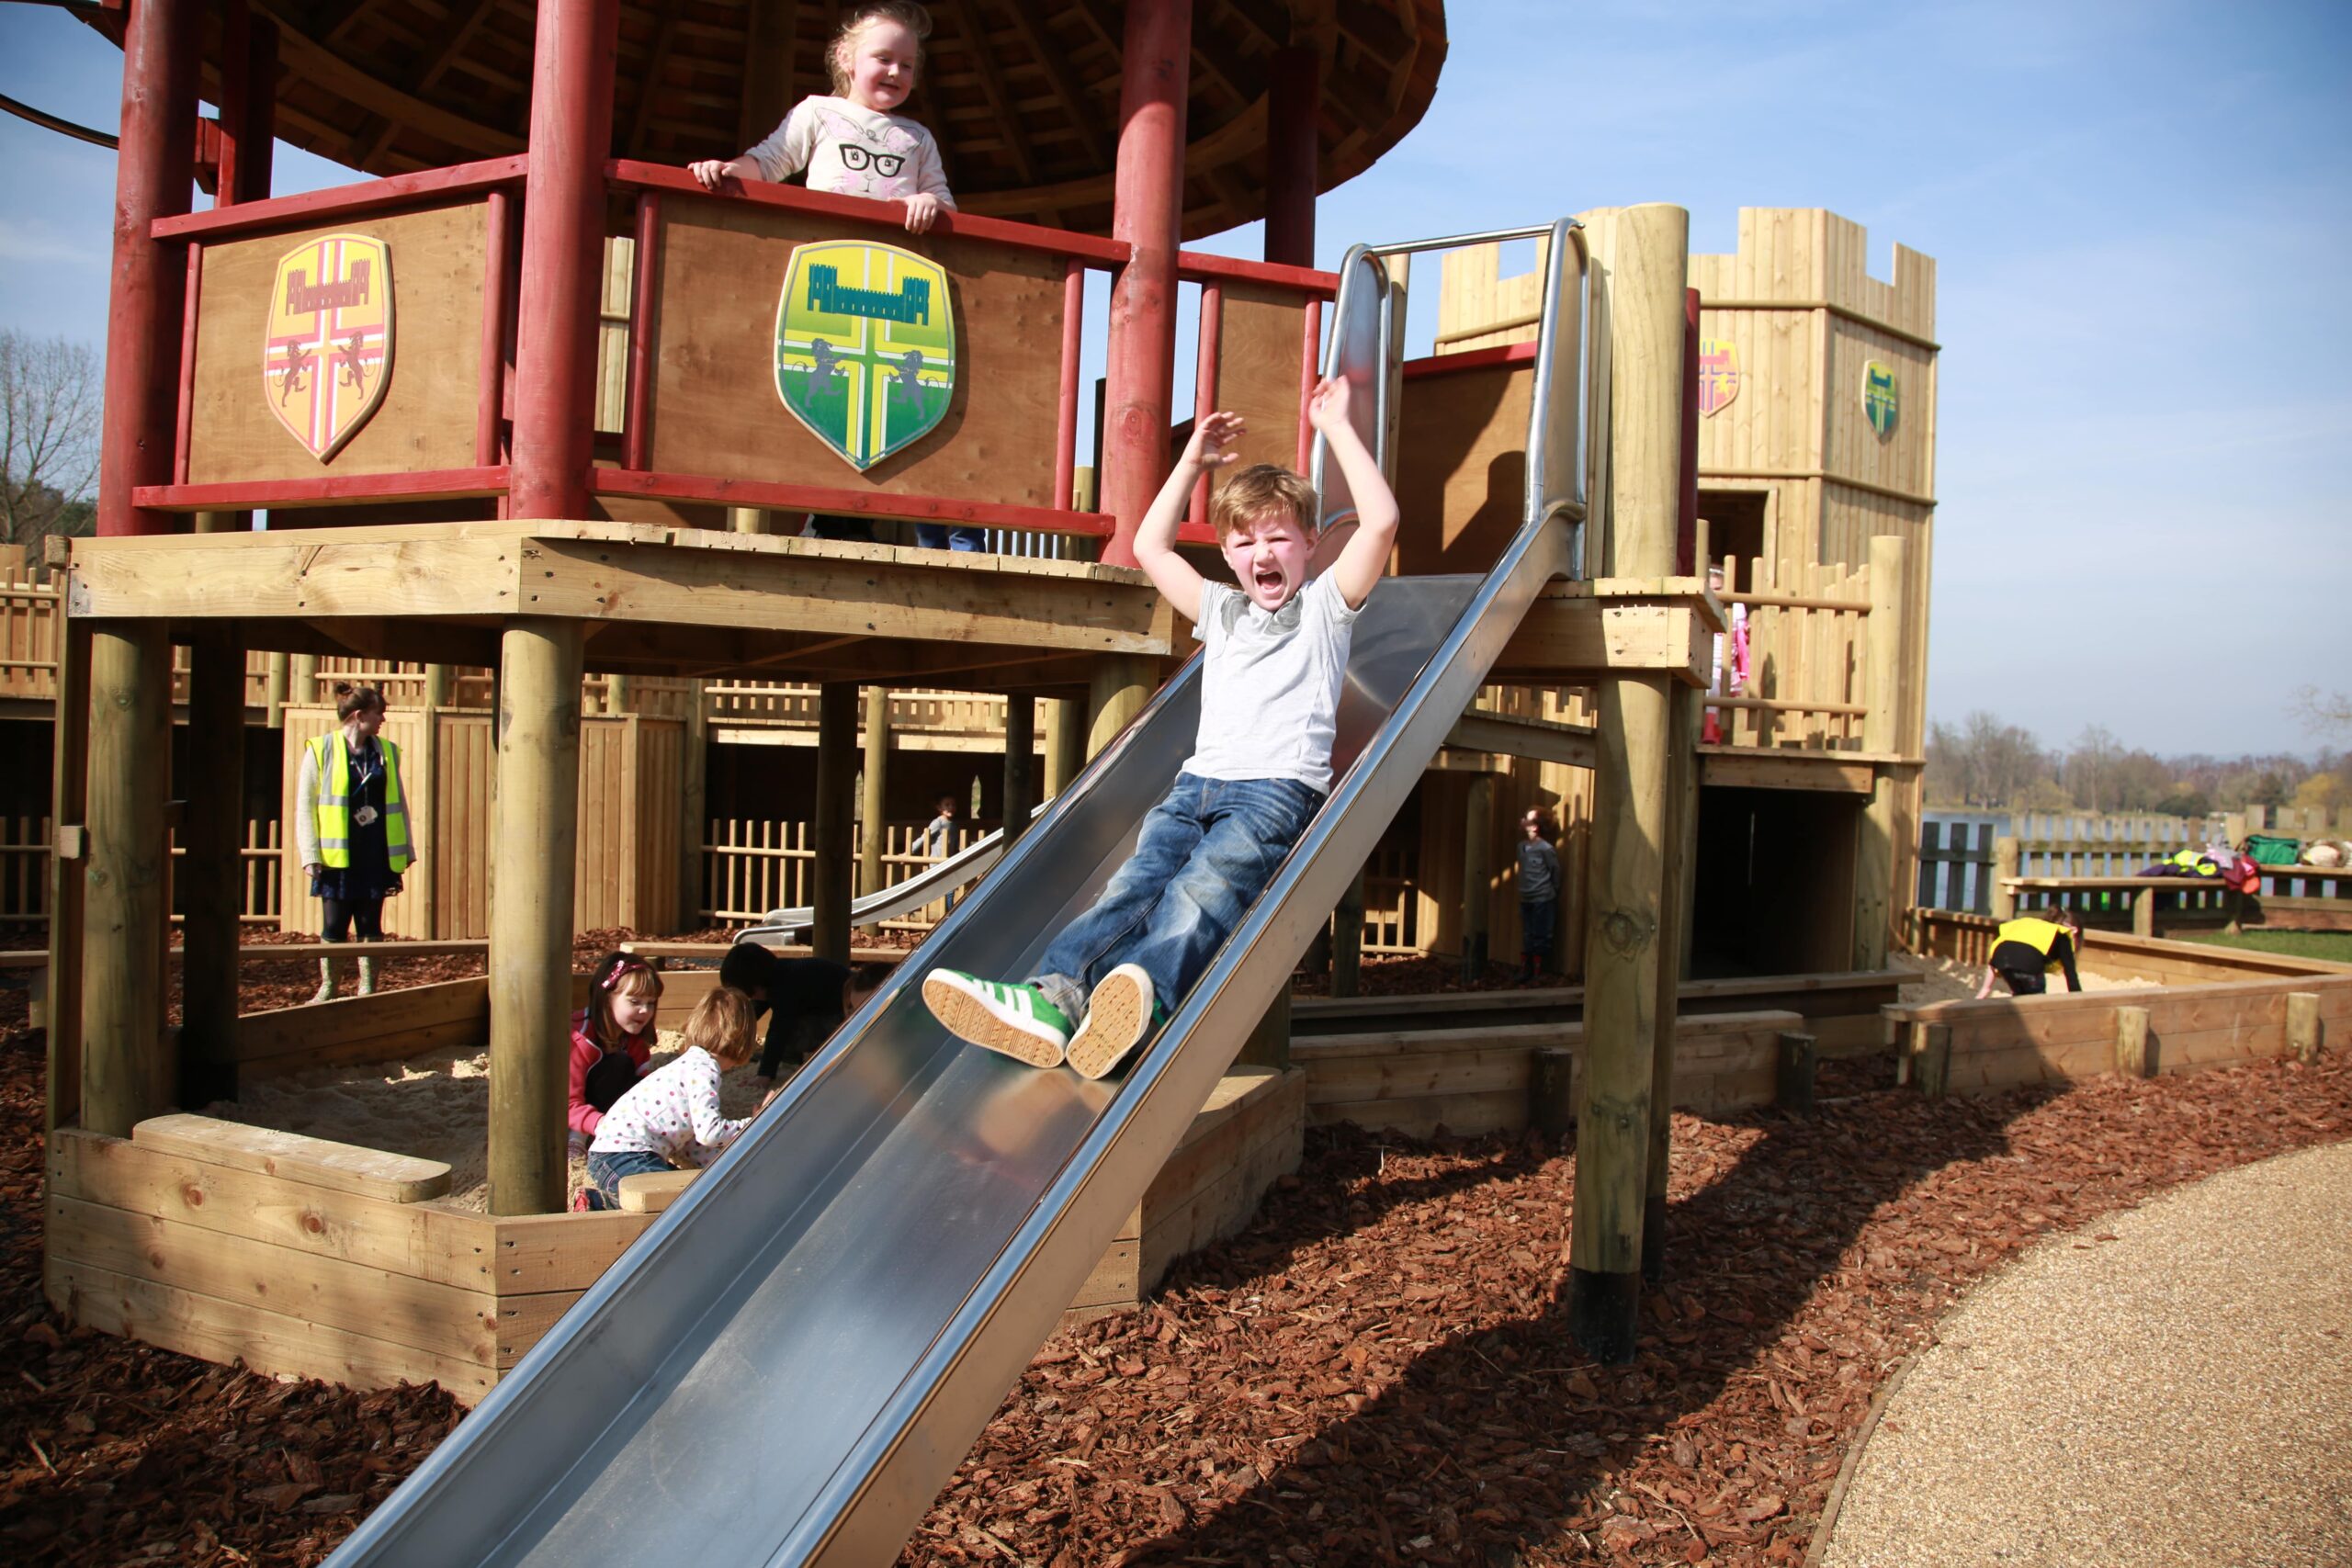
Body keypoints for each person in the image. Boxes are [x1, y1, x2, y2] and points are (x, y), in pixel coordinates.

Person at [921, 374, 1398, 1079]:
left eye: (1278, 538)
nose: (1262, 553)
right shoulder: (1224, 611)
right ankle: (1055, 999)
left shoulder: (1326, 607)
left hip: (1274, 792)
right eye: (1244, 541)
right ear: (1230, 554)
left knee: (1201, 890)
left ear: (1307, 545)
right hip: (1195, 786)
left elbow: (1382, 520)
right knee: (1131, 887)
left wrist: (1337, 431)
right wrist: (1191, 463)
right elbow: (1150, 546)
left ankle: (1142, 998)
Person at [687, 0, 976, 551]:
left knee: (879, 397)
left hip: (890, 286)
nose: (896, 73)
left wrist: (926, 202)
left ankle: (860, 516)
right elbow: (769, 162)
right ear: (845, 57)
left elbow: (944, 204)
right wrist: (726, 170)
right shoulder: (818, 113)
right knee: (829, 394)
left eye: (908, 65)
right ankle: (829, 515)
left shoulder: (916, 138)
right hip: (829, 280)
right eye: (883, 58)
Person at [585, 987, 777, 1210]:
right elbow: (710, 1134)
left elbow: (692, 1144)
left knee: (691, 1193)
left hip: (614, 1156)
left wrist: (726, 1169)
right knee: (676, 1206)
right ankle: (597, 1204)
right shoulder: (705, 1070)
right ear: (743, 1038)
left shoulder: (691, 1064)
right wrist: (753, 1124)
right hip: (624, 1157)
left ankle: (605, 1201)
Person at [295, 682, 413, 1003]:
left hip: (375, 851)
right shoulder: (321, 749)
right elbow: (305, 805)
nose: (382, 720)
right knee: (334, 922)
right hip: (337, 854)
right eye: (379, 713)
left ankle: (367, 990)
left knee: (370, 921)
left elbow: (397, 802)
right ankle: (329, 987)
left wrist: (408, 848)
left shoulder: (385, 751)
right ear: (359, 715)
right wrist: (310, 854)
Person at [718, 942, 889, 1087]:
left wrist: (765, 1073)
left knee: (787, 1031)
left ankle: (791, 1061)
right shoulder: (775, 976)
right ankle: (789, 1059)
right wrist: (728, 1037)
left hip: (843, 1012)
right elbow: (750, 1015)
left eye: (750, 993)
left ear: (756, 987)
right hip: (828, 1009)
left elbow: (778, 1031)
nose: (751, 998)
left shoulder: (786, 985)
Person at [568, 952, 664, 1152]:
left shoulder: (634, 1041)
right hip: (571, 1115)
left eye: (651, 1003)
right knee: (618, 1064)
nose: (645, 1010)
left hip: (606, 1117)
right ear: (607, 999)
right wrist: (605, 1124)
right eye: (635, 1002)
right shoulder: (579, 1038)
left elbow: (641, 1090)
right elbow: (566, 1103)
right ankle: (577, 1137)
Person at [1975, 908, 2085, 998]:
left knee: (2020, 997)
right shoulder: (2062, 934)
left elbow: (1995, 956)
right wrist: (2080, 1001)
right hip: (2027, 963)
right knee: (2036, 1001)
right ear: (2073, 930)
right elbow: (2071, 976)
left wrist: (1985, 989)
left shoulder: (2034, 928)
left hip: (2001, 960)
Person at [1515, 808, 1561, 985]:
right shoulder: (1521, 846)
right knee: (1528, 933)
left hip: (1543, 898)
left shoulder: (1546, 849)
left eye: (1526, 818)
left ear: (1534, 827)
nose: (1522, 819)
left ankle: (1538, 972)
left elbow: (1555, 870)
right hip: (1526, 897)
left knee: (1542, 935)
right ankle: (1526, 970)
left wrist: (1553, 891)